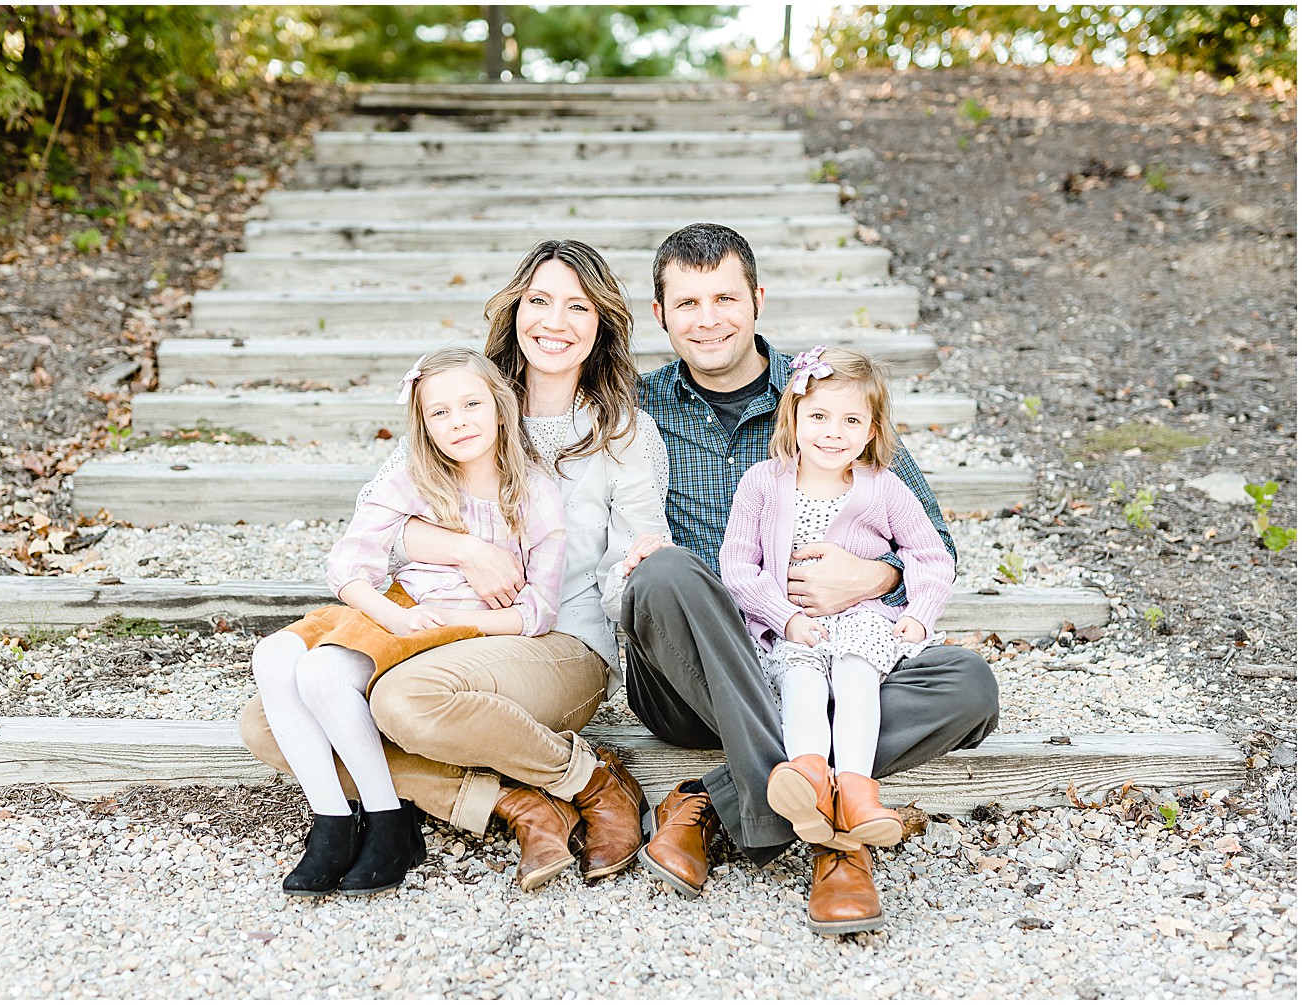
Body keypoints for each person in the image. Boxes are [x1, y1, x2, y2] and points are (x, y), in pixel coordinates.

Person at [240, 239, 672, 892]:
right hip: (435, 621)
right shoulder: (465, 399)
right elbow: (376, 527)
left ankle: (587, 778)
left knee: (404, 700)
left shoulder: (624, 431)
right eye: (539, 301)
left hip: (558, 636)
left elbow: (642, 560)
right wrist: (467, 549)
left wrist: (628, 573)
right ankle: (510, 802)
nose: (555, 321)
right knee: (266, 720)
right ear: (515, 309)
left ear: (602, 322)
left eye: (577, 306)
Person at [625, 223, 999, 934]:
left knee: (971, 687)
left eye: (726, 297)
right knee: (665, 572)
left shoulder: (828, 396)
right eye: (688, 303)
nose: (709, 319)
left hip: (825, 656)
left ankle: (722, 801)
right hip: (696, 666)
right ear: (660, 314)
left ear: (758, 299)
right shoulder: (638, 410)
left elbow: (931, 544)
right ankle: (840, 840)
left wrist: (871, 575)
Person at [250, 345, 568, 898]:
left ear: (500, 406)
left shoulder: (534, 492)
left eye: (471, 404)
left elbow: (538, 610)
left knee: (322, 676)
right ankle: (332, 820)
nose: (458, 422)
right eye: (439, 412)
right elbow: (347, 565)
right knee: (272, 657)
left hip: (463, 627)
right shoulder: (413, 477)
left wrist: (446, 619)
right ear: (422, 423)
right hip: (399, 608)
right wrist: (392, 616)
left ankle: (389, 823)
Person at [719, 345, 955, 856]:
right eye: (819, 416)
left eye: (851, 420)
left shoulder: (884, 489)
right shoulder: (762, 483)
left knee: (856, 678)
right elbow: (738, 567)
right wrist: (783, 619)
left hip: (863, 619)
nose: (833, 432)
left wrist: (918, 614)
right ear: (794, 417)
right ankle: (807, 775)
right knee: (801, 681)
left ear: (871, 431)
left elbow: (931, 555)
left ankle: (854, 789)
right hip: (795, 624)